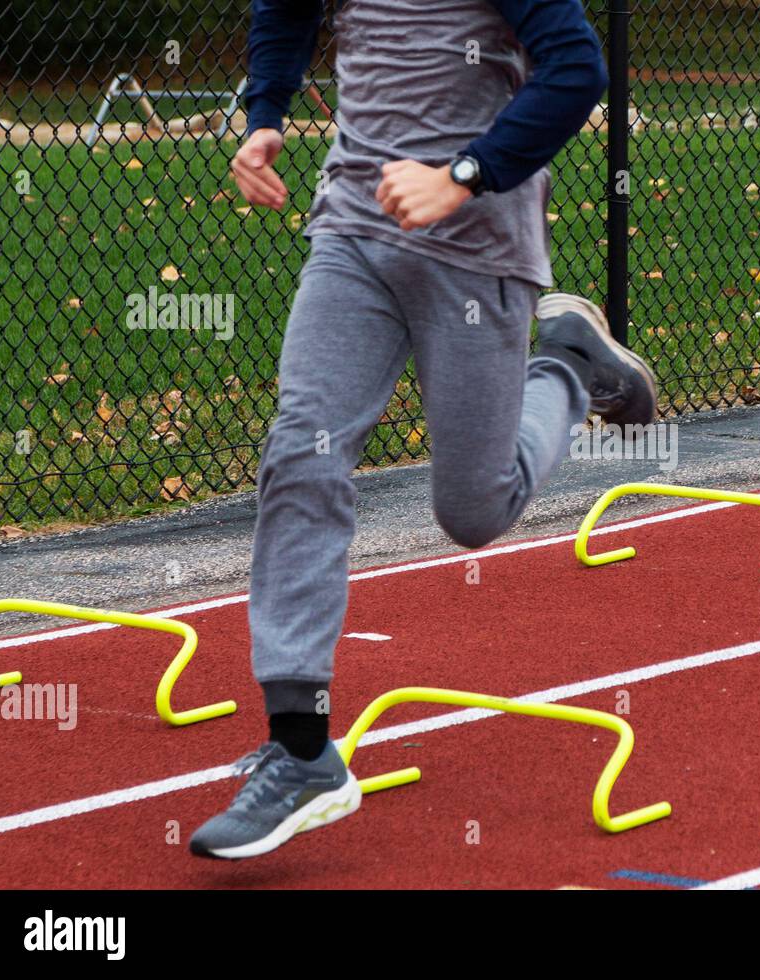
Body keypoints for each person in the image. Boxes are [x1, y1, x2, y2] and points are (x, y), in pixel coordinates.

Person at [190, 0, 656, 859]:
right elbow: (281, 11)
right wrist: (265, 116)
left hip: (476, 251)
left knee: (473, 510)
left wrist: (464, 174)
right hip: (353, 235)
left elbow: (577, 69)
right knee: (302, 449)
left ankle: (567, 371)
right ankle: (300, 747)